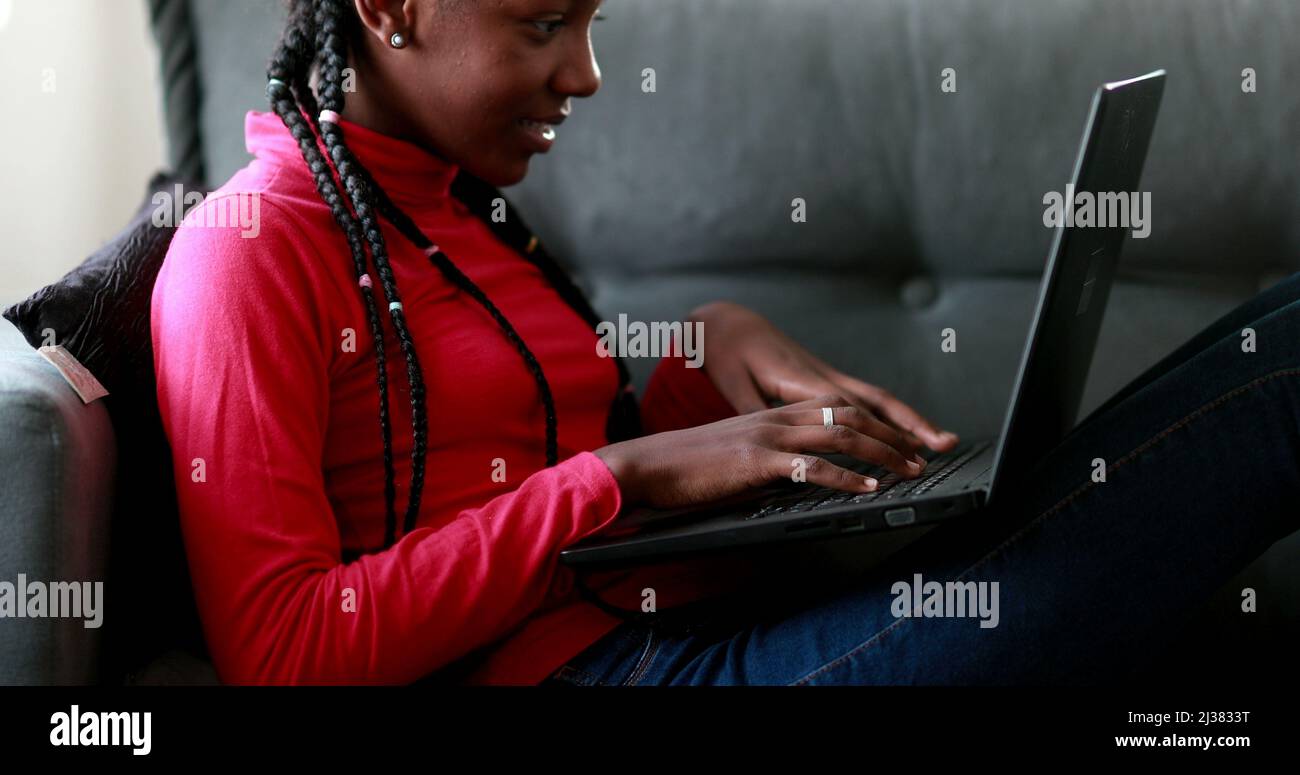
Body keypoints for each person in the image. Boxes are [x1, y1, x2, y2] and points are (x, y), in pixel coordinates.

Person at [150, 0, 1299, 685]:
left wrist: (703, 365)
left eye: (592, 23)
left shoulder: (453, 214)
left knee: (1281, 328)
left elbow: (578, 492)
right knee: (1279, 396)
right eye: (544, 25)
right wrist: (615, 475)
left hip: (706, 630)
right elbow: (282, 652)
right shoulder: (246, 254)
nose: (584, 74)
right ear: (391, 7)